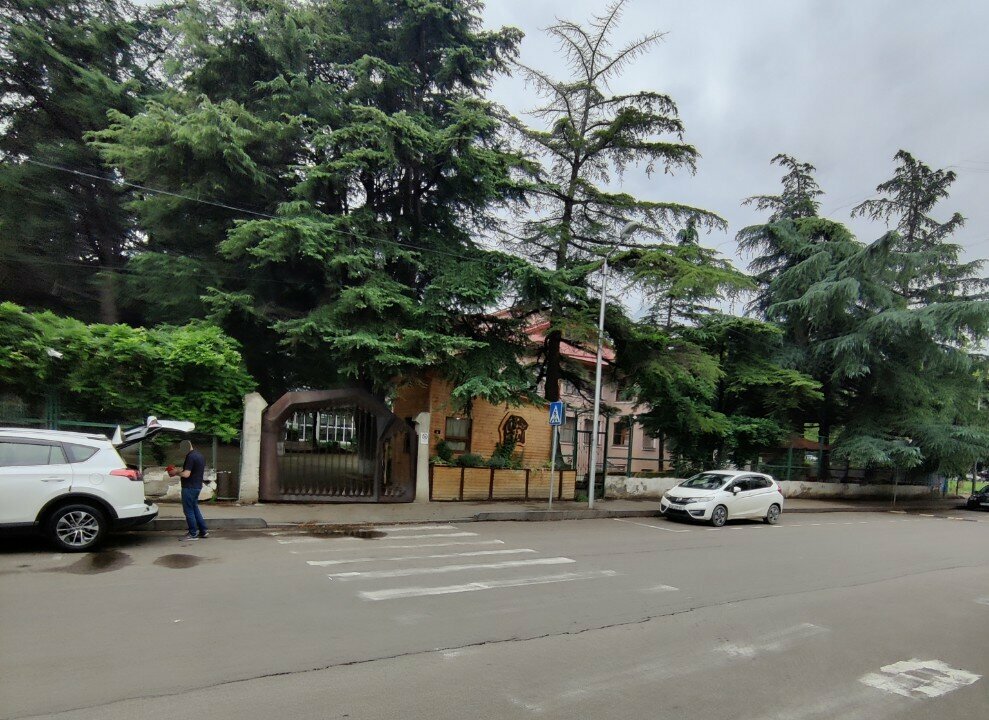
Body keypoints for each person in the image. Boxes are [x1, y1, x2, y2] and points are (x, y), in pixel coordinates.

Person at [168, 439, 209, 541]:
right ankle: (203, 531)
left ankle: (193, 533)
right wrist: (179, 470)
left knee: (189, 511)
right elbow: (192, 471)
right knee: (194, 508)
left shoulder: (190, 456)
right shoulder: (199, 455)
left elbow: (186, 474)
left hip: (189, 487)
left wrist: (176, 472)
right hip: (197, 486)